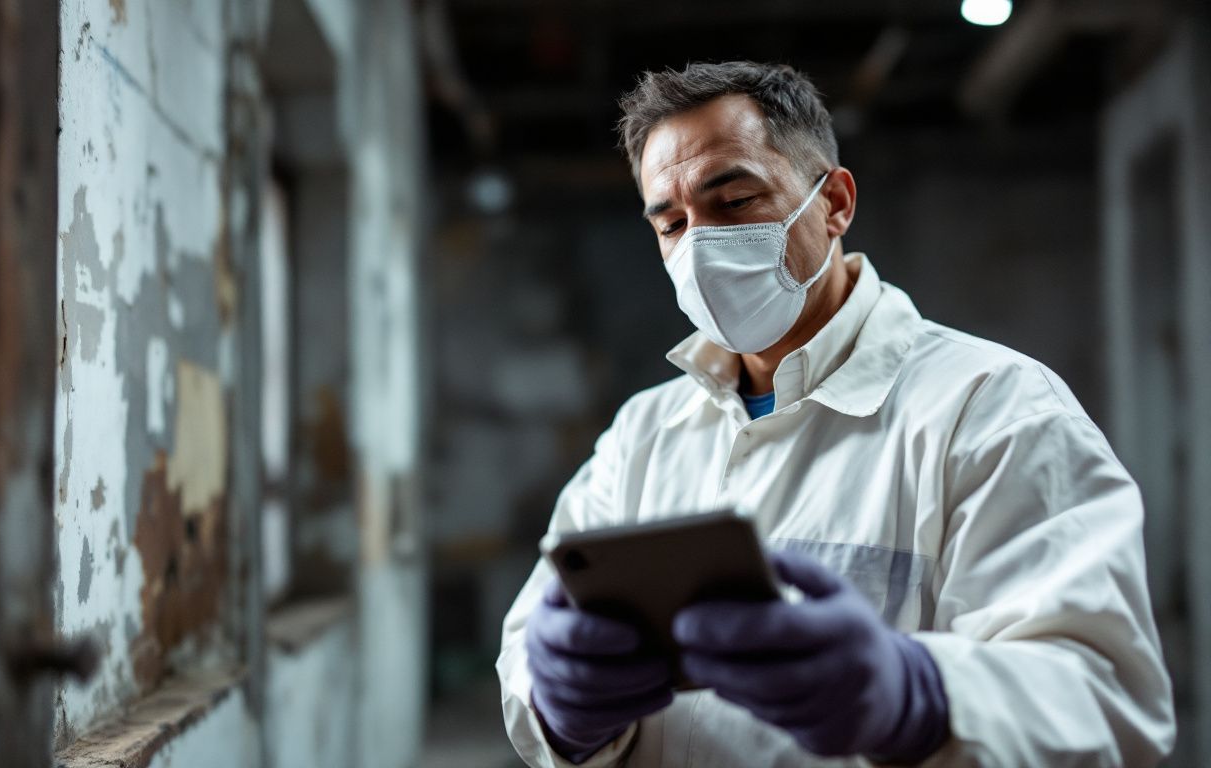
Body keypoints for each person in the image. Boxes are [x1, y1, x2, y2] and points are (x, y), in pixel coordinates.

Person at [496, 61, 1176, 767]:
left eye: (733, 201)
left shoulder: (995, 409)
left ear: (835, 202)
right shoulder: (644, 434)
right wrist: (561, 710)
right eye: (671, 223)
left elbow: (1105, 700)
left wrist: (919, 698)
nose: (698, 247)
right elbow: (529, 653)